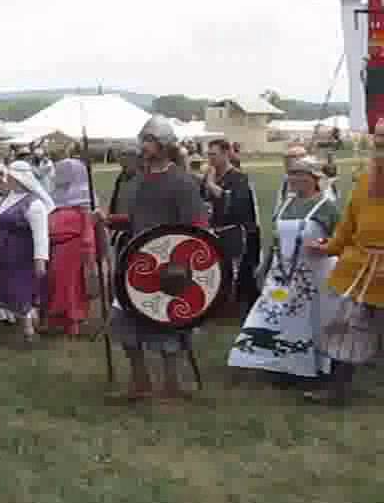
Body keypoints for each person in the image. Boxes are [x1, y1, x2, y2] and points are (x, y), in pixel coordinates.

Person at [102, 115, 208, 402]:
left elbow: (198, 226)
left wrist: (182, 264)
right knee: (124, 321)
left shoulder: (182, 182)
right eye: (143, 140)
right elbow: (137, 220)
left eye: (149, 140)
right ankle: (141, 382)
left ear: (163, 145)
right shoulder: (139, 180)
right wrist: (110, 220)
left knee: (167, 326)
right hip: (139, 261)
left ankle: (172, 384)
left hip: (171, 265)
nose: (144, 146)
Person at [227, 157, 337, 380]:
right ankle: (278, 362)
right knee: (274, 313)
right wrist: (264, 266)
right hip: (281, 275)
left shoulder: (326, 207)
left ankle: (310, 366)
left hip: (313, 276)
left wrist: (324, 245)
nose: (293, 178)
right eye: (291, 173)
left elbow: (341, 240)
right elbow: (277, 239)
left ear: (313, 178)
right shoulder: (285, 205)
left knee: (308, 319)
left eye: (299, 174)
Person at [305, 120, 384, 405]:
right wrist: (330, 247)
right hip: (360, 269)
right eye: (378, 137)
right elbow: (348, 224)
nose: (380, 143)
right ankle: (337, 392)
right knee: (345, 331)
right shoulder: (365, 180)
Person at [0, 160, 52, 344]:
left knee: (19, 289)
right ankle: (26, 320)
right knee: (1, 288)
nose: (4, 179)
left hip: (19, 255)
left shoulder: (34, 204)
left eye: (8, 176)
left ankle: (28, 328)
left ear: (19, 178)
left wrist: (40, 259)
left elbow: (41, 235)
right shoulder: (4, 199)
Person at [201, 139, 260, 317]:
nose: (210, 158)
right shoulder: (209, 176)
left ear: (226, 154)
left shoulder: (238, 178)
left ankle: (231, 307)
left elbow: (237, 205)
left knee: (232, 270)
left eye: (214, 154)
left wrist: (212, 186)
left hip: (232, 231)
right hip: (212, 230)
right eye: (209, 154)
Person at [44, 158, 96, 339]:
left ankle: (73, 322)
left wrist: (88, 250)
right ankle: (55, 319)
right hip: (54, 248)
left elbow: (88, 227)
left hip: (73, 248)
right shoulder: (55, 194)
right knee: (55, 284)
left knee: (71, 286)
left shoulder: (83, 197)